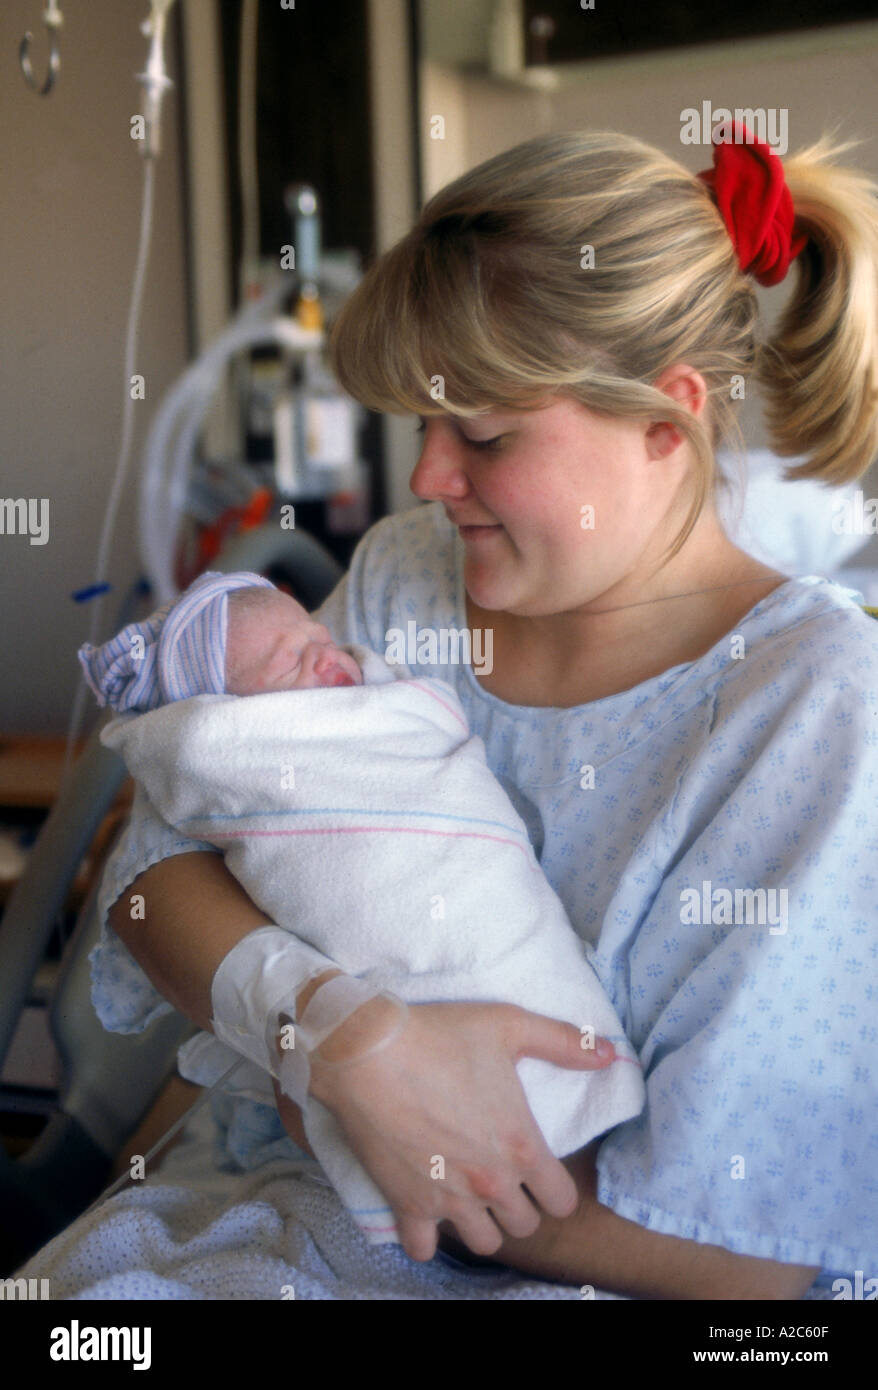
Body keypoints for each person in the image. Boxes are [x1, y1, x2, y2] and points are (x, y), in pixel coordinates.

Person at [22, 121, 878, 1300]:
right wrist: (331, 1036)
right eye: (421, 427)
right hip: (279, 1214)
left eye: (481, 434)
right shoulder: (409, 575)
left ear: (664, 420)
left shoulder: (811, 712)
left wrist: (389, 1125)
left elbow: (754, 1264)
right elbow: (148, 882)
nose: (426, 477)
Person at [76, 570, 643, 1247]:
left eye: (317, 637)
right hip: (318, 1170)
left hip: (581, 1208)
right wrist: (322, 1027)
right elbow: (152, 859)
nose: (327, 653)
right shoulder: (394, 570)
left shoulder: (787, 691)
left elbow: (744, 1275)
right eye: (288, 661)